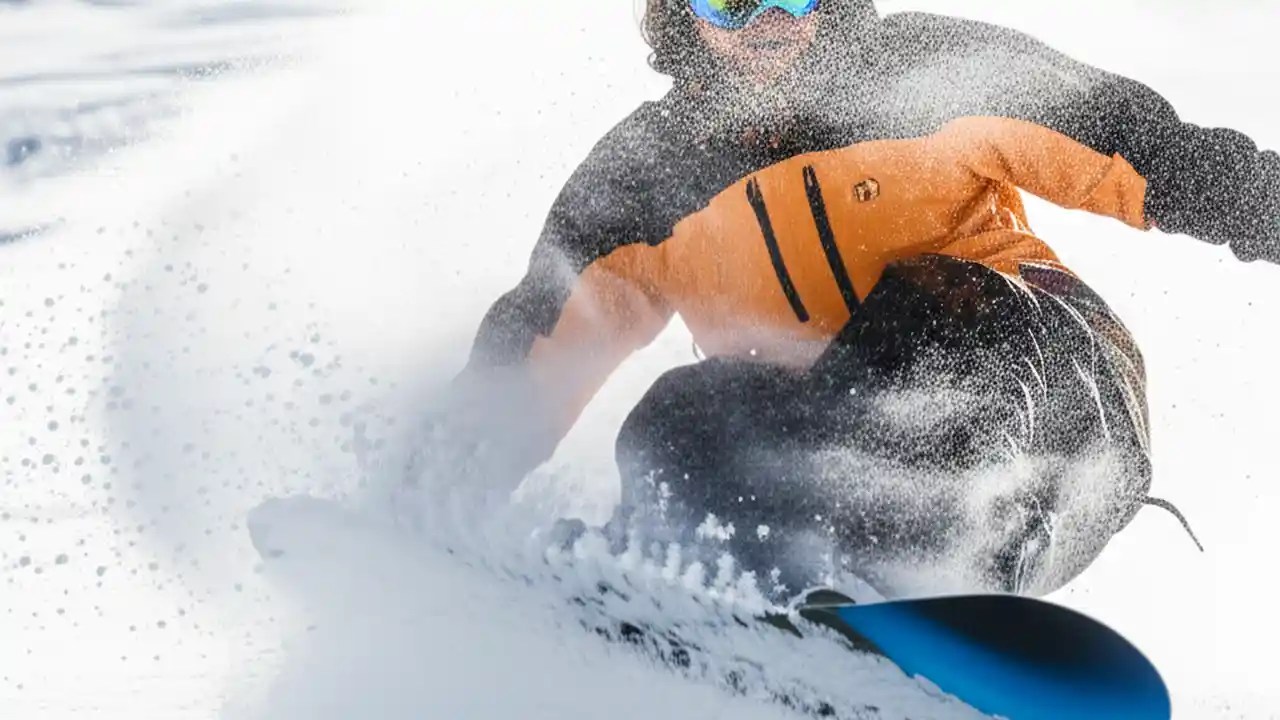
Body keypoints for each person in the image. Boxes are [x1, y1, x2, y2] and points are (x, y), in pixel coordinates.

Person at [421, 0, 1279, 600]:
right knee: (675, 424)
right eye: (729, 0)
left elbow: (1140, 145)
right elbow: (533, 350)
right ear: (680, 14)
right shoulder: (646, 181)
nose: (766, 25)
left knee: (925, 306)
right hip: (845, 476)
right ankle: (732, 592)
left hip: (1057, 416)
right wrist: (419, 517)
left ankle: (965, 577)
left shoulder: (928, 74)